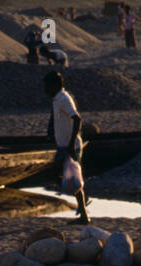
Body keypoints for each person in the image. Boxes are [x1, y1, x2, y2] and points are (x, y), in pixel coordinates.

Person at [44, 71, 90, 224]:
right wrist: (51, 131)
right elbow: (56, 118)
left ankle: (83, 209)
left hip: (70, 146)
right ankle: (83, 204)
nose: (45, 89)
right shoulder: (56, 99)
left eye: (47, 86)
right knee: (64, 177)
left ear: (55, 86)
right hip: (63, 145)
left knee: (67, 177)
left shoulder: (64, 99)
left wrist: (71, 144)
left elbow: (77, 119)